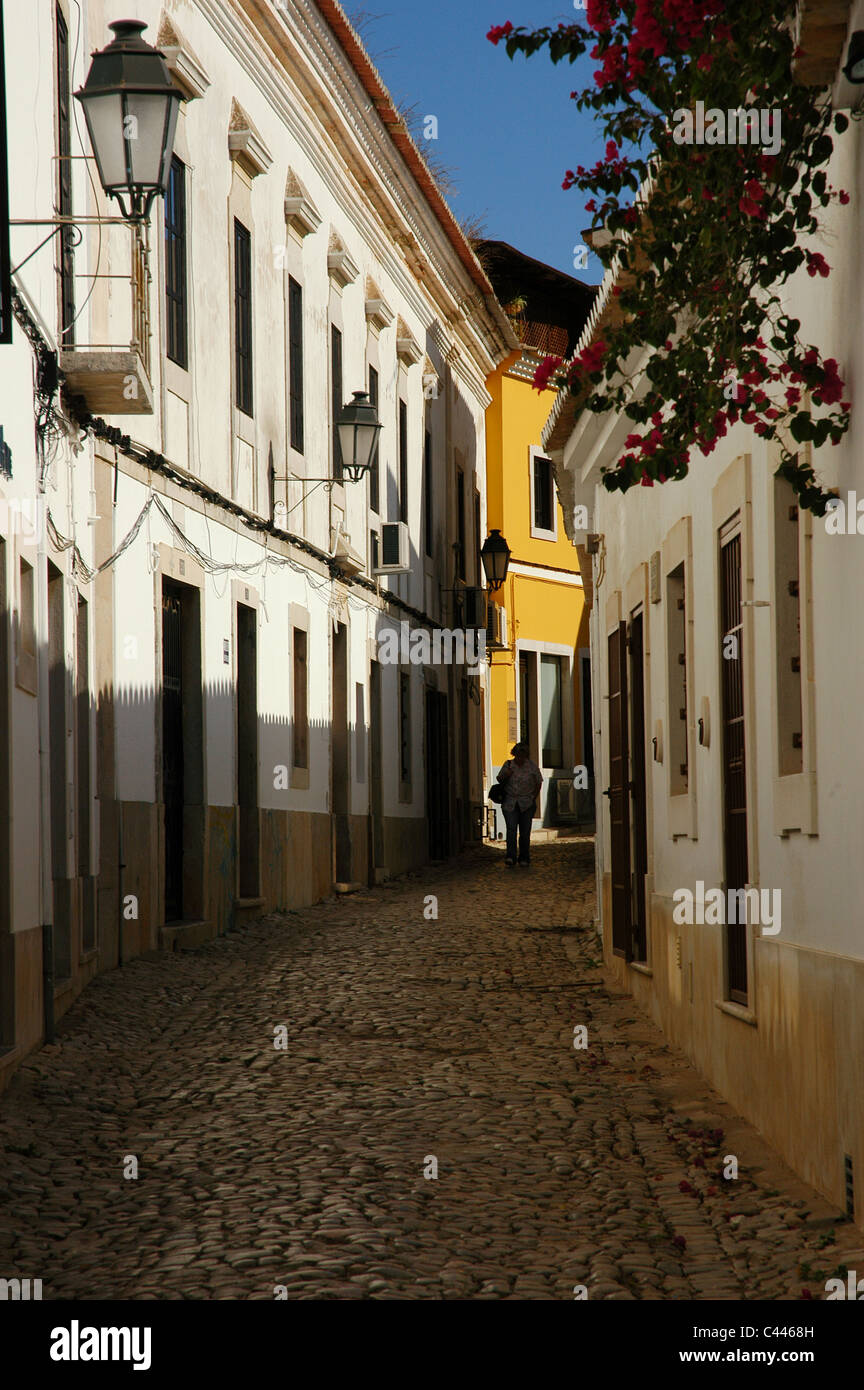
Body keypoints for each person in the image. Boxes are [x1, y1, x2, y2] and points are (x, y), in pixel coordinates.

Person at [497, 742, 542, 867]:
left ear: (526, 755)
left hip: (526, 803)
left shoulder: (532, 766)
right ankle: (510, 856)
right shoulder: (508, 764)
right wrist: (507, 774)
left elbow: (539, 781)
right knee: (511, 830)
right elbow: (499, 779)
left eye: (522, 756)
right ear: (514, 754)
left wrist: (533, 797)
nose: (520, 758)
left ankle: (524, 857)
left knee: (525, 831)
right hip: (510, 803)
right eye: (518, 755)